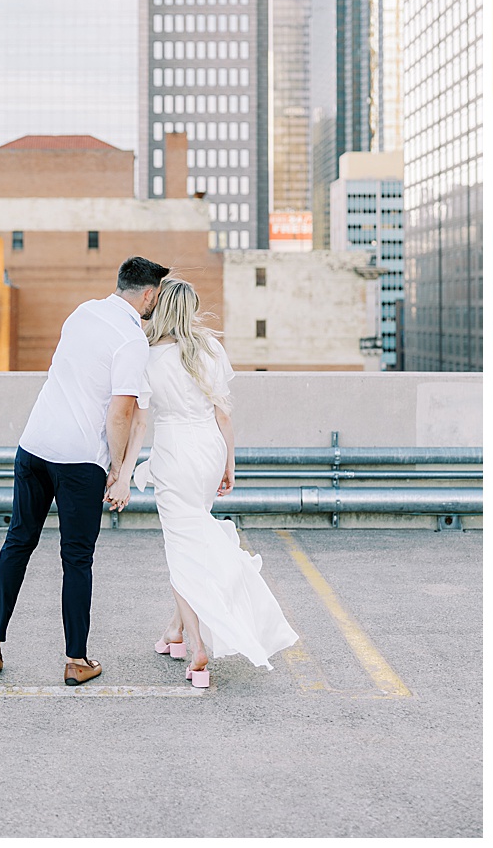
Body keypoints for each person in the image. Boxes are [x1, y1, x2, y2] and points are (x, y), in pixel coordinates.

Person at [0, 255, 168, 685]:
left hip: (34, 444)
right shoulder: (131, 339)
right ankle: (76, 660)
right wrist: (118, 468)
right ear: (149, 295)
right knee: (77, 559)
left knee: (18, 542)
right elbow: (121, 413)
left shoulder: (82, 312)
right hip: (79, 458)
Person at [114, 278, 297, 687]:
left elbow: (140, 420)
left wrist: (123, 471)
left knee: (182, 551)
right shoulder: (210, 349)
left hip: (176, 453)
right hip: (209, 451)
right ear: (192, 309)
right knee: (193, 540)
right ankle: (174, 633)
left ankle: (196, 646)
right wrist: (230, 462)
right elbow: (224, 415)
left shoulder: (147, 355)